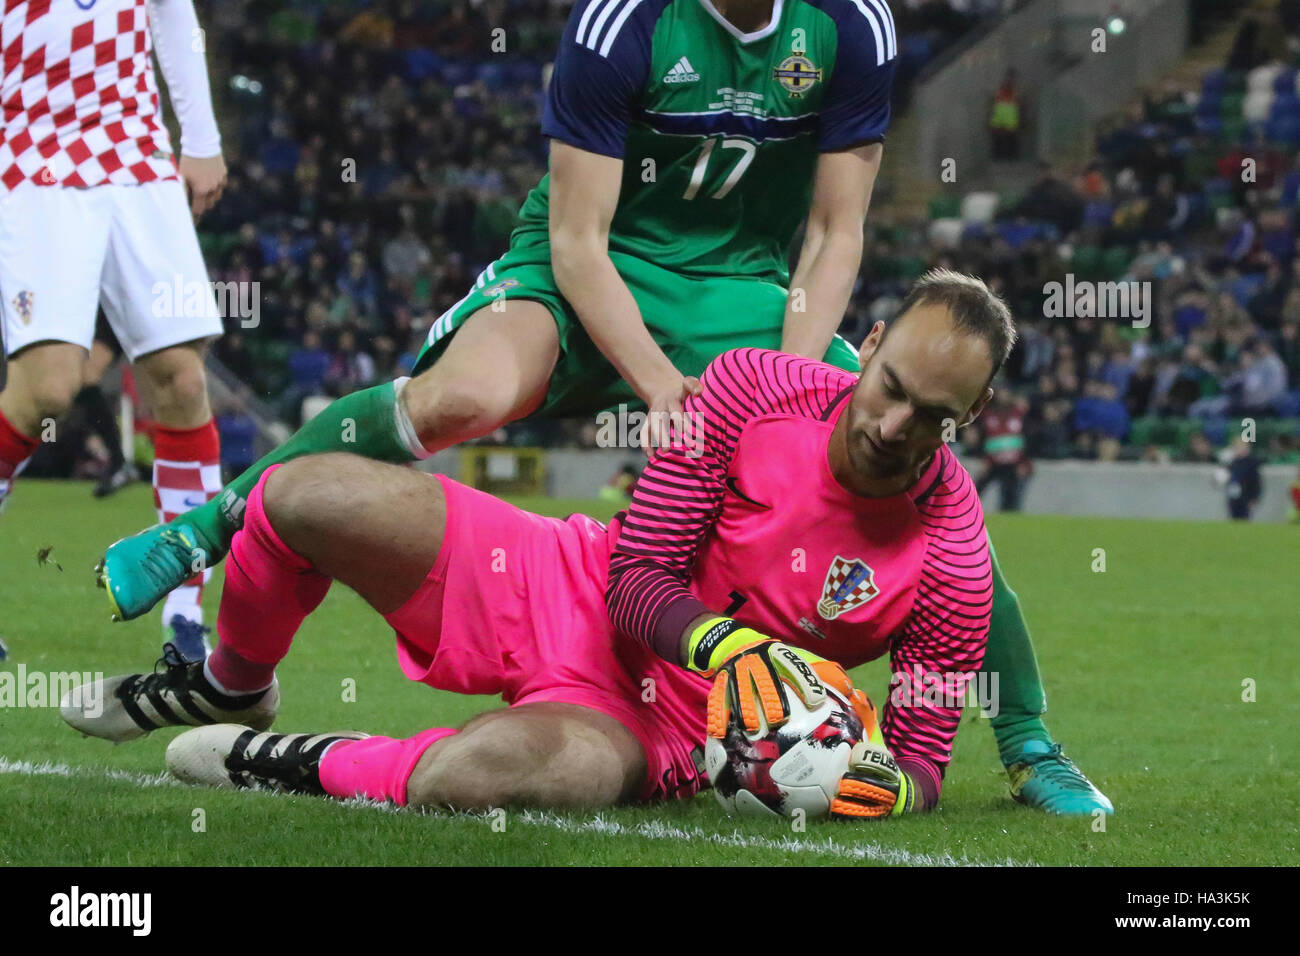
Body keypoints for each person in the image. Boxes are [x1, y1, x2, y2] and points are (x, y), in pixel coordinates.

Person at [99, 0, 1110, 813]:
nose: (895, 413)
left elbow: (837, 233)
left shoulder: (851, 24)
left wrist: (794, 400)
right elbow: (582, 240)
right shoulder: (621, 22)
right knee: (465, 395)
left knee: (938, 511)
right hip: (592, 266)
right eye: (887, 379)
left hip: (739, 288)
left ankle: (1027, 740)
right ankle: (209, 521)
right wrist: (663, 383)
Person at [67, 274, 1039, 817]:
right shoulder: (749, 385)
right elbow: (633, 577)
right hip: (561, 574)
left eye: (931, 412)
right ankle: (236, 678)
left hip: (669, 728)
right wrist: (735, 645)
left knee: (477, 779)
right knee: (299, 490)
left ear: (976, 413)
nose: (893, 422)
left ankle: (292, 755)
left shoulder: (953, 556)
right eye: (891, 385)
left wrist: (867, 785)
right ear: (866, 346)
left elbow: (919, 762)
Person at [0, 0, 227, 662]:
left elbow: (173, 13)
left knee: (182, 379)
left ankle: (186, 620)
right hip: (29, 151)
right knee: (47, 391)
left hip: (135, 154)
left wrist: (202, 139)